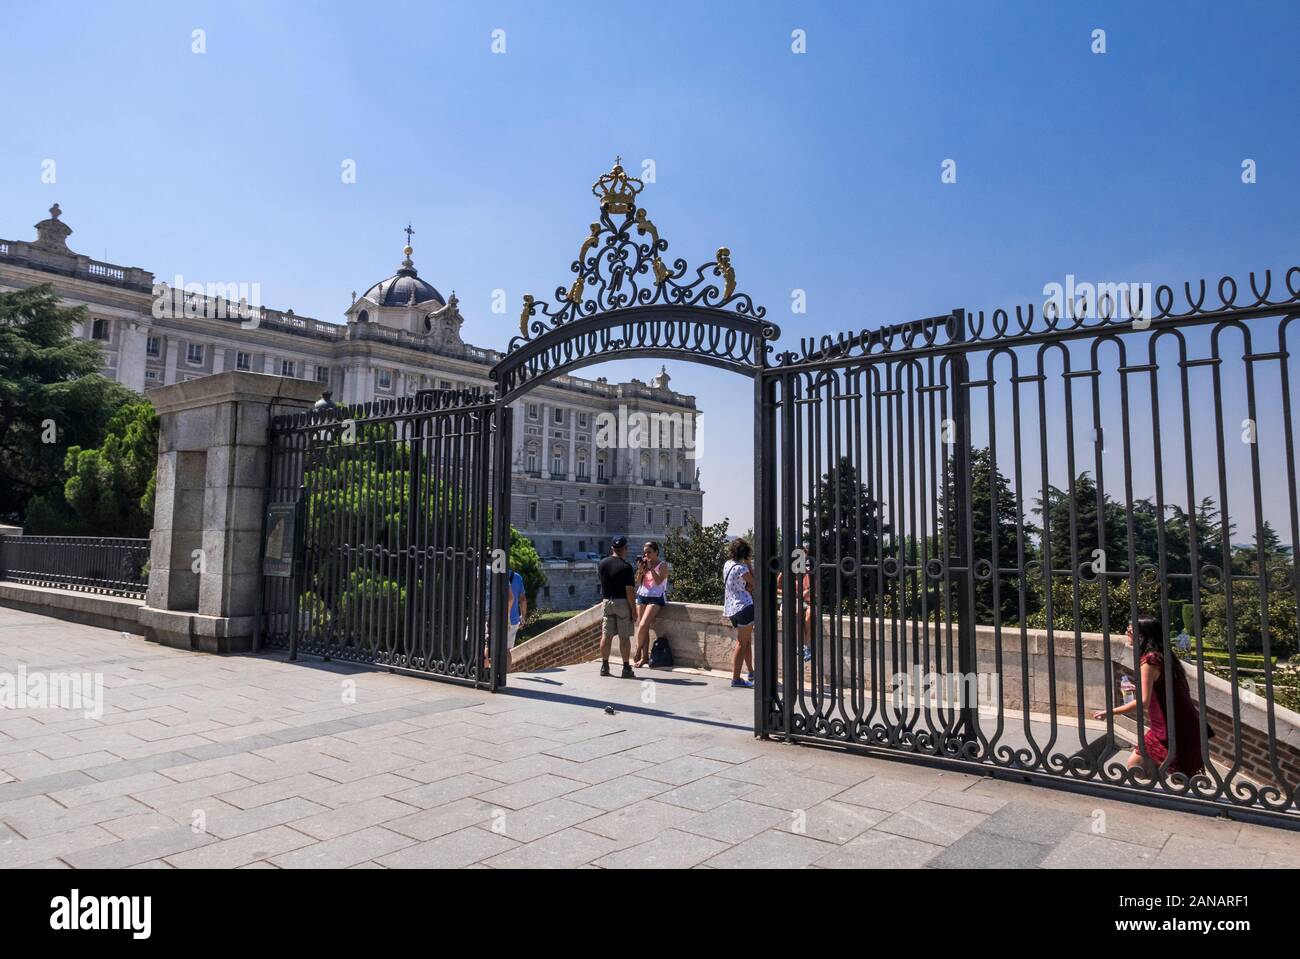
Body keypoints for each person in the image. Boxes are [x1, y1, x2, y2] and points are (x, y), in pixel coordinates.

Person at [1092, 616, 1206, 777]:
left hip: (1170, 726)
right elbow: (1163, 686)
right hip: (1180, 722)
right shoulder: (1162, 655)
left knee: (1136, 765)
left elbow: (1143, 703)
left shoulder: (1150, 661)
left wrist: (1110, 712)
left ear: (1142, 636)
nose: (1126, 634)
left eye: (1130, 631)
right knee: (1175, 775)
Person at [597, 536, 637, 678]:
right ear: (625, 549)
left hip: (607, 601)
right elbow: (630, 591)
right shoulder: (626, 567)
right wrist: (634, 610)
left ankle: (604, 666)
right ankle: (626, 668)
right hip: (622, 603)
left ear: (612, 548)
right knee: (624, 637)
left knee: (606, 635)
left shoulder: (602, 563)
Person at [723, 538, 756, 688]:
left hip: (731, 608)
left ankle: (751, 672)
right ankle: (736, 678)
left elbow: (739, 585)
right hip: (744, 606)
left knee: (746, 641)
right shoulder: (741, 568)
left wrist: (747, 586)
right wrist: (749, 563)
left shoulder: (727, 565)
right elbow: (755, 582)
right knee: (742, 643)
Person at [632, 541, 670, 668]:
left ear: (656, 552)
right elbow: (638, 581)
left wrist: (651, 568)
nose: (646, 554)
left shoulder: (662, 565)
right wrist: (641, 569)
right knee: (643, 627)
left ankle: (637, 651)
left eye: (649, 552)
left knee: (643, 624)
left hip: (656, 597)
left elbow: (659, 581)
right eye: (645, 552)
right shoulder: (644, 564)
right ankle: (644, 657)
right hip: (642, 595)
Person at [776, 542, 814, 664]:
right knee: (797, 612)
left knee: (810, 615)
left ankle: (807, 647)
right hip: (792, 601)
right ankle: (801, 645)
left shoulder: (809, 570)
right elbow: (776, 588)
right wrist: (790, 593)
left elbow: (813, 588)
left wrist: (807, 592)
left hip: (807, 601)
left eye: (805, 551)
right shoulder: (787, 570)